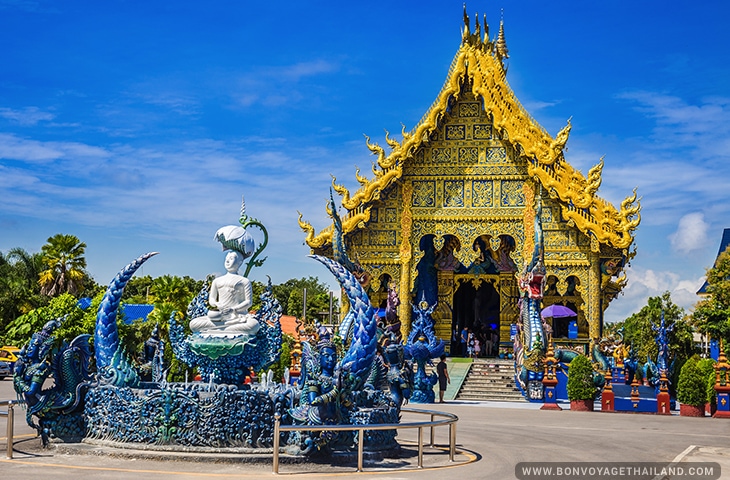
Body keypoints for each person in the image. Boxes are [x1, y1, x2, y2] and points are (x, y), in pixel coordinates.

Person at [189, 251, 261, 336]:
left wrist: (233, 309)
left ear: (239, 262)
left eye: (231, 259)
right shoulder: (217, 281)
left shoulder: (244, 281)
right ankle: (224, 328)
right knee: (193, 324)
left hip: (238, 317)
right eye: (226, 259)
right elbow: (211, 299)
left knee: (253, 325)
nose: (227, 261)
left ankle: (218, 329)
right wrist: (217, 304)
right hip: (220, 316)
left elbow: (248, 302)